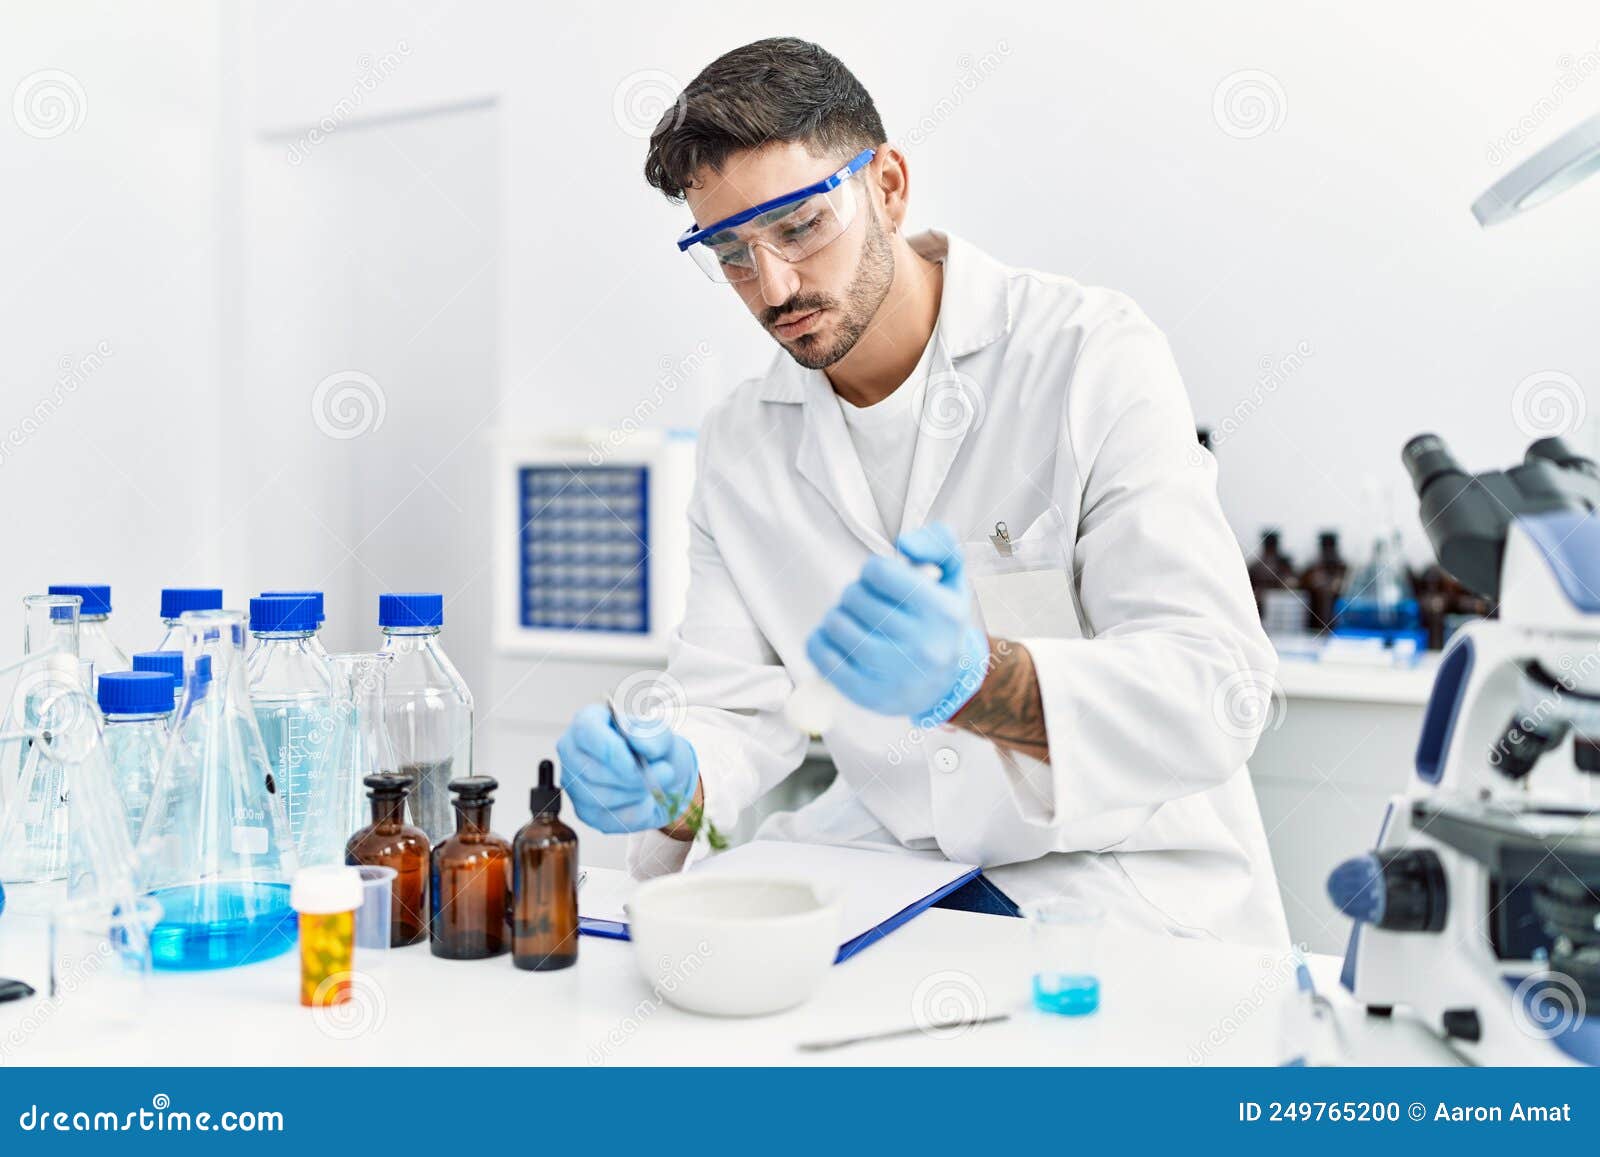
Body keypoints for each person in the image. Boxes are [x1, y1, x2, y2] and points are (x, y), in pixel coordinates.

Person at [556, 37, 1289, 945]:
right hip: (893, 872)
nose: (774, 285)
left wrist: (975, 680)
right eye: (731, 253)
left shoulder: (1085, 353)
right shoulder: (743, 442)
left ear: (889, 186)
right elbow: (733, 709)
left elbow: (1217, 687)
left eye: (799, 227)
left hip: (1121, 885)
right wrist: (674, 784)